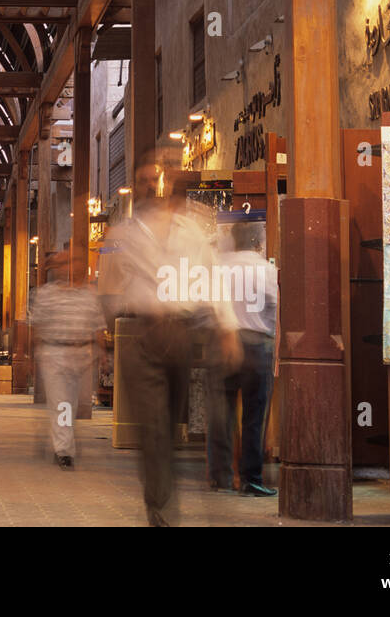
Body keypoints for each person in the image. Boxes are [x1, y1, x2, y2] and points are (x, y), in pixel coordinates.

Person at [99, 151, 241, 526]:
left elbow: (212, 278)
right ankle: (160, 511)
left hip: (180, 334)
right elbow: (108, 285)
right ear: (135, 187)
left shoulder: (192, 231)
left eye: (155, 178)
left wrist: (227, 328)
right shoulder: (124, 233)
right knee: (152, 428)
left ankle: (162, 496)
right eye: (143, 179)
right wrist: (107, 330)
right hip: (140, 334)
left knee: (170, 427)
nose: (150, 185)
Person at [205, 220, 278, 497]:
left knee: (221, 415)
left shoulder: (218, 267)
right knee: (253, 416)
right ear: (256, 242)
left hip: (221, 343)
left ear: (233, 241)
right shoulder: (266, 269)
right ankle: (251, 479)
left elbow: (207, 306)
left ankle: (220, 477)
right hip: (257, 345)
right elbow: (273, 307)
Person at [28, 251, 106, 469]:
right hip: (54, 353)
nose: (66, 268)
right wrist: (32, 358)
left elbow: (98, 326)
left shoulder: (89, 295)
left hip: (81, 355)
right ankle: (64, 451)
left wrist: (102, 355)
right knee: (61, 402)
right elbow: (36, 327)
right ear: (55, 269)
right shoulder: (45, 294)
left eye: (70, 264)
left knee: (72, 405)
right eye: (62, 264)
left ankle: (63, 441)